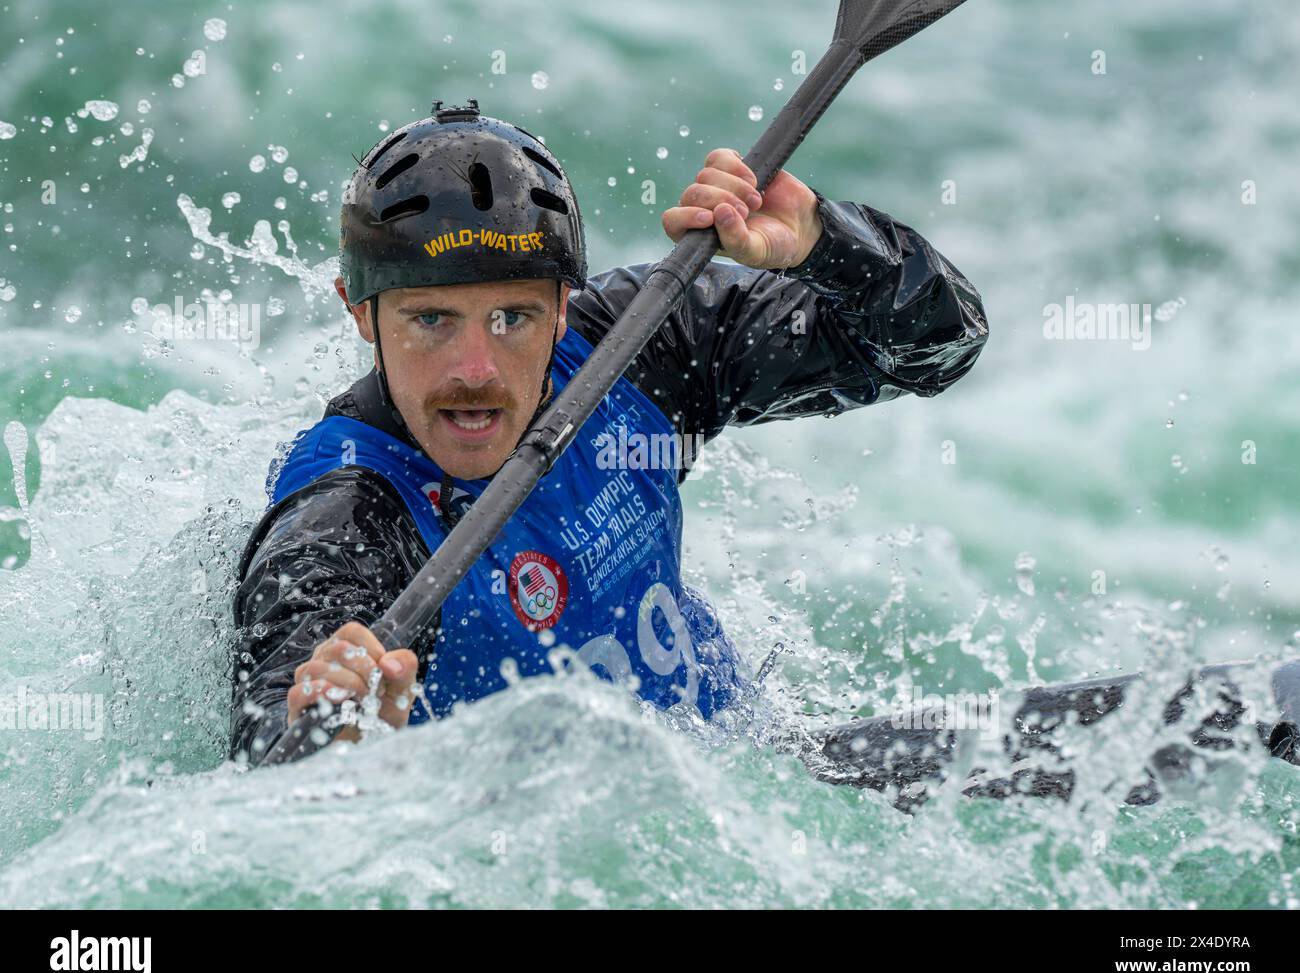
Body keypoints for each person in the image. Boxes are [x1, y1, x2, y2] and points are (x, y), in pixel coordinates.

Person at [229, 98, 989, 765]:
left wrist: (825, 242)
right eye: (431, 320)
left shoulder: (634, 349)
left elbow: (935, 347)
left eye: (513, 318)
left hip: (762, 780)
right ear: (360, 312)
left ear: (563, 306)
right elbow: (267, 792)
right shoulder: (343, 521)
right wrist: (334, 748)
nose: (476, 369)